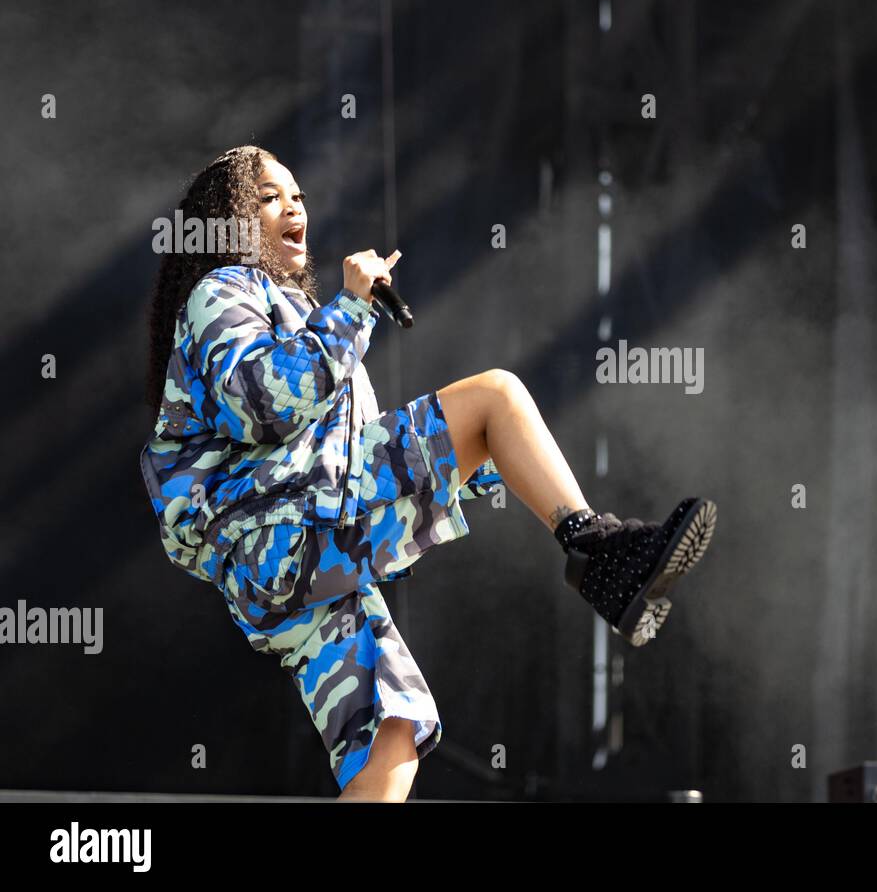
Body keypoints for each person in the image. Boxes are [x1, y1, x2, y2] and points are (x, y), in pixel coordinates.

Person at [140, 145, 717, 801]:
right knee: (495, 396)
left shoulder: (292, 313)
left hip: (294, 552)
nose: (293, 206)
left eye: (297, 195)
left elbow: (347, 447)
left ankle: (604, 557)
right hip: (283, 530)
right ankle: (600, 554)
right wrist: (355, 309)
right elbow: (261, 406)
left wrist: (481, 459)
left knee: (393, 734)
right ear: (230, 222)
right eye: (269, 197)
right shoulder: (223, 293)